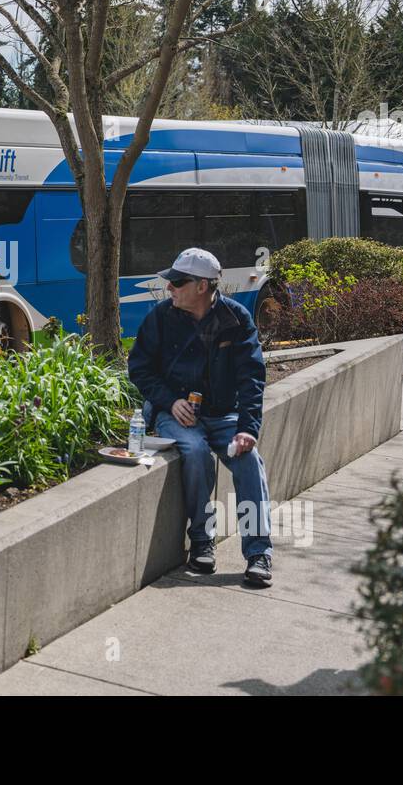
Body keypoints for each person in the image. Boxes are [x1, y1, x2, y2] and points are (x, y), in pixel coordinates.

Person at [127, 247, 273, 587]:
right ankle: (202, 543)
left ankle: (258, 553)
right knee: (194, 453)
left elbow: (252, 377)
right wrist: (169, 400)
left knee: (250, 461)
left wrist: (248, 430)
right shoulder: (161, 317)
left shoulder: (237, 319)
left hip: (224, 416)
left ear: (202, 287)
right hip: (175, 415)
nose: (170, 288)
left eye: (178, 282)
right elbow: (139, 369)